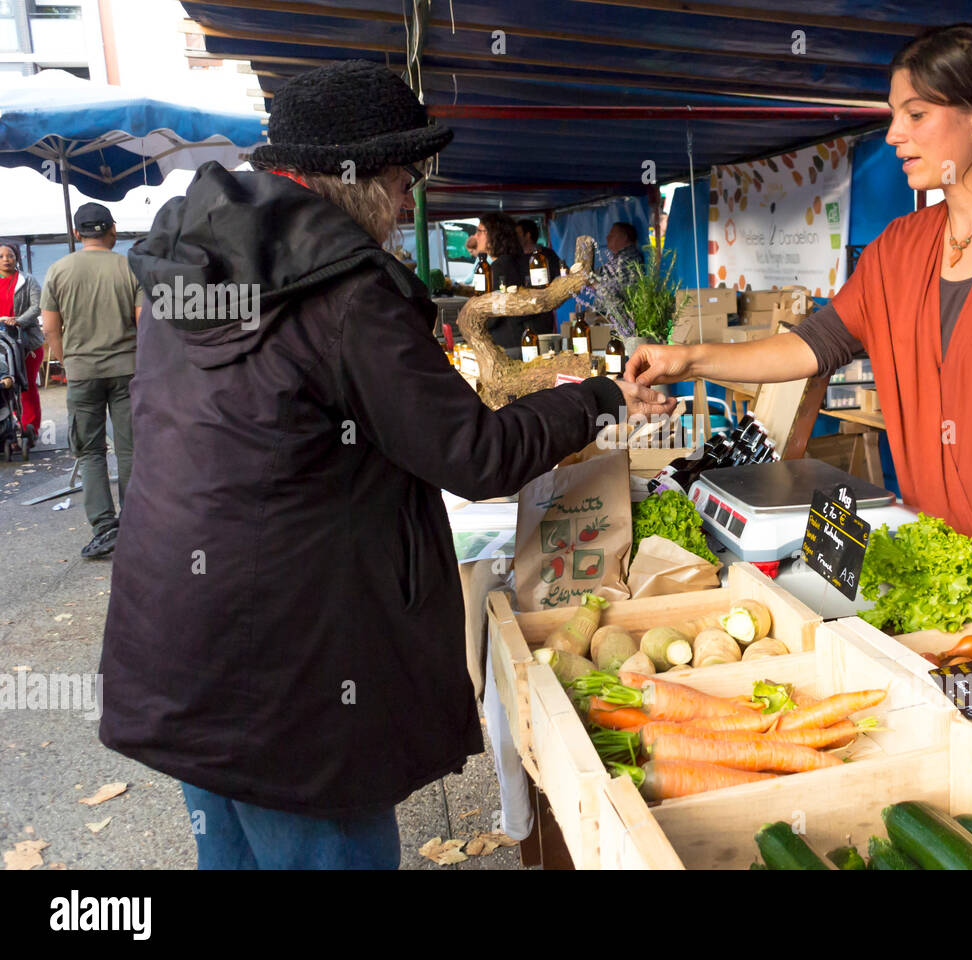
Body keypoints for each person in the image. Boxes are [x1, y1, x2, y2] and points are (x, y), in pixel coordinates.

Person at [97, 60, 674, 870]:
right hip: (293, 668)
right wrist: (600, 397)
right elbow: (476, 454)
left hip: (183, 639)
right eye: (404, 177)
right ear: (355, 176)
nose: (409, 200)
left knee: (229, 845)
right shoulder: (346, 291)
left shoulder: (192, 265)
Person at [627, 23, 972, 608]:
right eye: (894, 114)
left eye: (916, 115)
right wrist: (689, 357)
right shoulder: (899, 247)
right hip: (940, 545)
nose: (894, 134)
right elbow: (814, 344)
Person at [39, 204, 142, 559]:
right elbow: (144, 322)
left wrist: (70, 363)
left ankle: (104, 528)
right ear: (112, 229)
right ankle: (134, 525)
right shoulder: (130, 267)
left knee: (91, 452)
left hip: (83, 372)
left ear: (77, 232)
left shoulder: (58, 270)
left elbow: (51, 329)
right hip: (128, 369)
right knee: (131, 450)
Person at [469, 212, 553, 347]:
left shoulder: (500, 267)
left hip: (513, 344)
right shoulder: (520, 261)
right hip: (529, 339)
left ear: (494, 234)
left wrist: (472, 317)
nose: (476, 236)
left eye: (480, 231)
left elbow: (492, 314)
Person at [0, 241, 43, 442]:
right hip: (1, 345)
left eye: (10, 255)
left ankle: (30, 426)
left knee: (26, 385)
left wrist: (18, 321)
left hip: (26, 342)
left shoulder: (28, 280)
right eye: (1, 256)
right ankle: (8, 425)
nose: (6, 259)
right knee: (4, 386)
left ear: (17, 257)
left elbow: (37, 307)